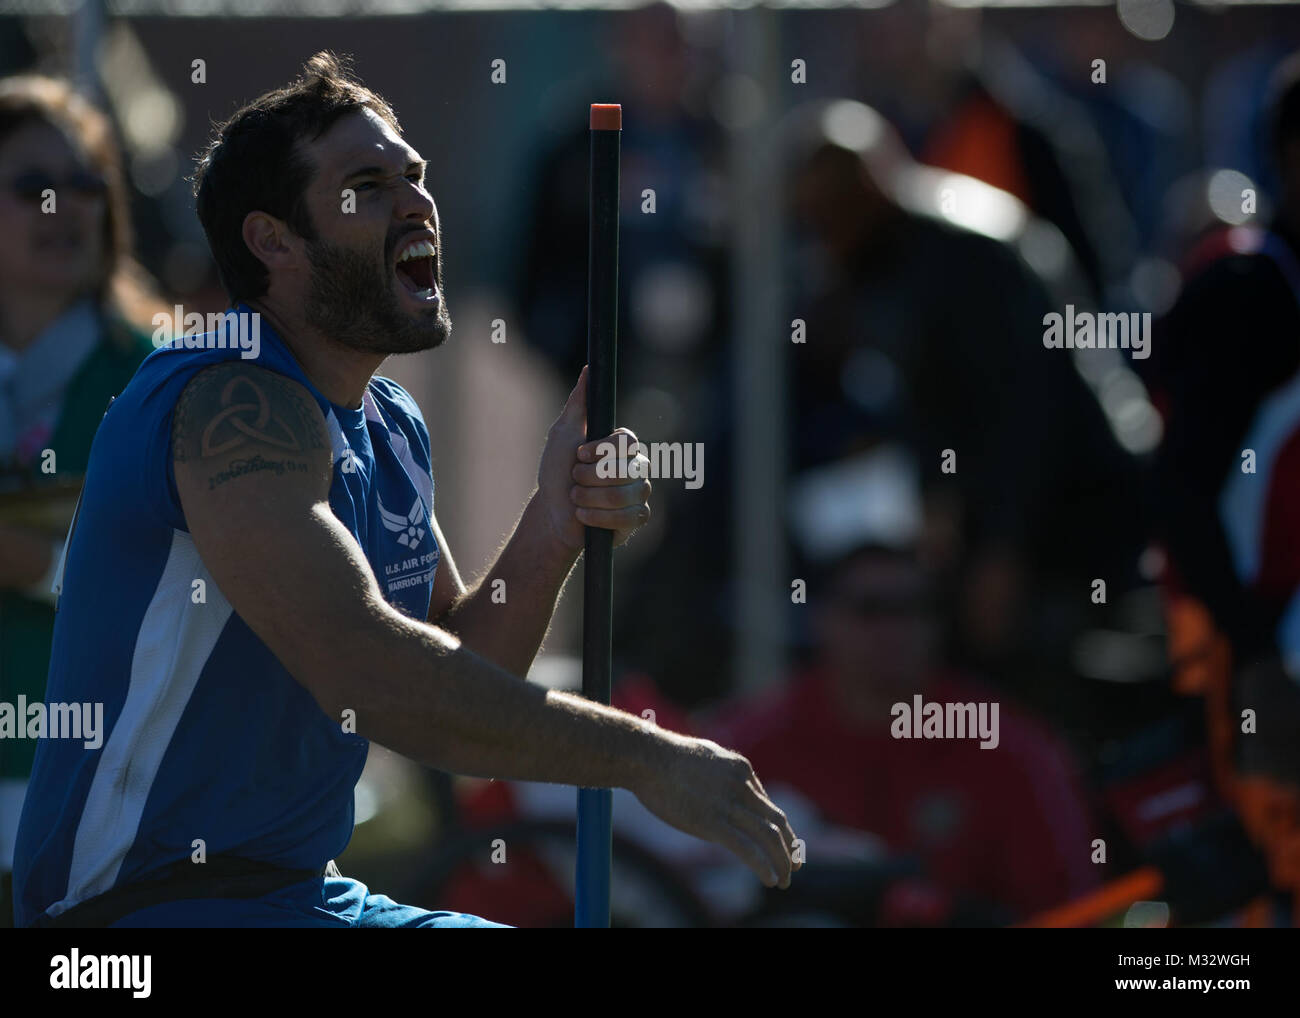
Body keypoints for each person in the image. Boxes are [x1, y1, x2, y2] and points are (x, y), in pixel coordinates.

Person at [12, 51, 798, 929]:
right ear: (273, 240)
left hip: (307, 896)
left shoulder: (388, 420)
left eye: (414, 176)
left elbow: (464, 678)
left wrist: (553, 523)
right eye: (368, 185)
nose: (416, 201)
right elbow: (374, 679)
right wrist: (646, 759)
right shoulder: (229, 398)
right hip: (136, 920)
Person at [0, 74, 160, 927]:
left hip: (95, 794)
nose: (66, 207)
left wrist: (45, 567)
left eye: (89, 183)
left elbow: (195, 587)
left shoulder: (157, 378)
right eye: (34, 185)